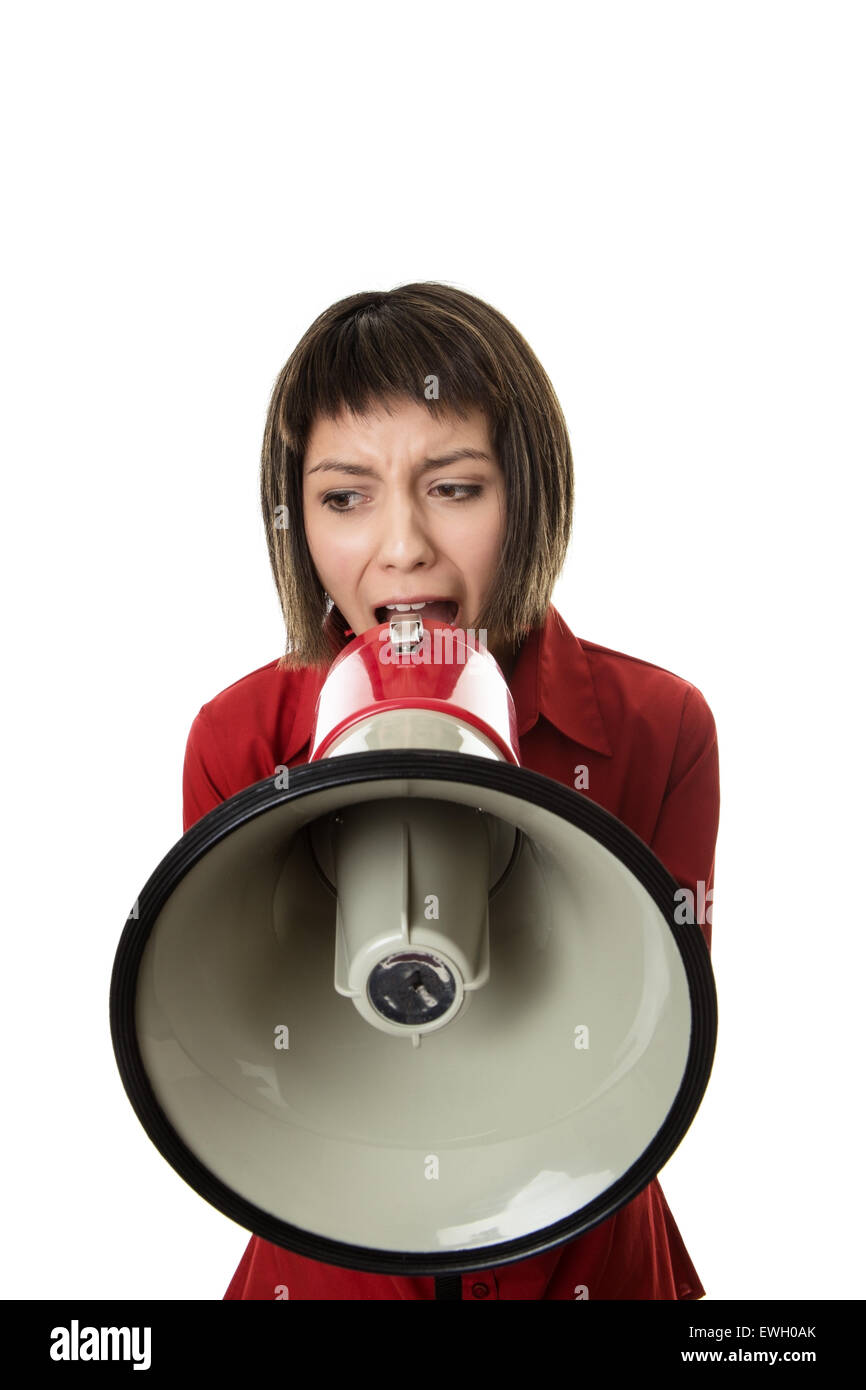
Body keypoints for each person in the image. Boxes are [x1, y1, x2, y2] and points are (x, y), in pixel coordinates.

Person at [182, 282, 720, 1300]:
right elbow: (234, 1045)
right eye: (345, 498)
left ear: (530, 494)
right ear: (297, 523)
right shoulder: (238, 738)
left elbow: (648, 1044)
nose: (402, 547)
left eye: (455, 487)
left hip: (587, 1256)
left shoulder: (658, 727)